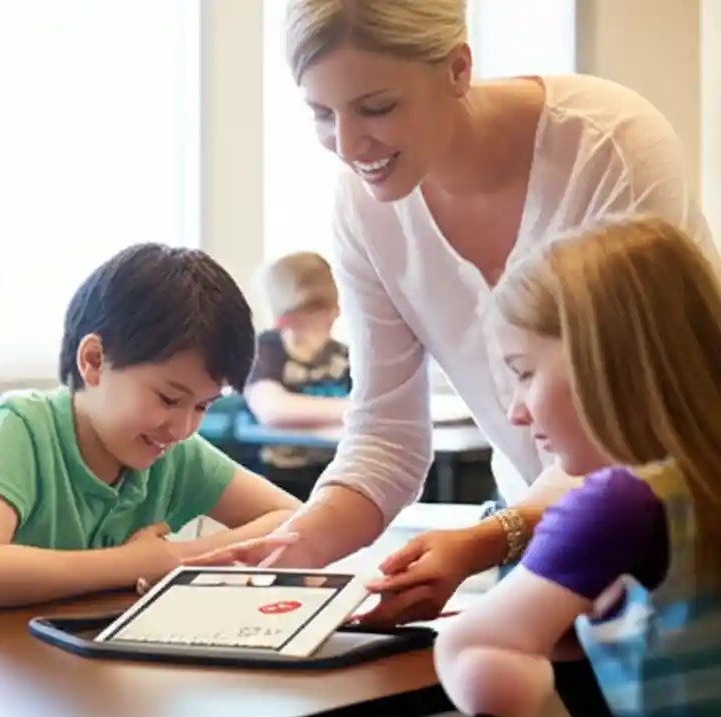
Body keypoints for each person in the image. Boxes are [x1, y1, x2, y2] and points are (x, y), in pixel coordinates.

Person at [201, 0, 715, 623]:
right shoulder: (364, 207)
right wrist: (293, 545)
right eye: (320, 113)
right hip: (535, 528)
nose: (347, 145)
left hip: (677, 531)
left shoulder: (607, 146)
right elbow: (385, 434)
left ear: (457, 69)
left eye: (377, 107)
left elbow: (626, 422)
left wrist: (488, 540)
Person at [436, 215, 721, 717]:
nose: (516, 412)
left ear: (605, 359)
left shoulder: (620, 504)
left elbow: (480, 653)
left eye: (525, 373)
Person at [0, 244, 302, 611]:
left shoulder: (173, 453)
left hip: (81, 661)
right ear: (94, 361)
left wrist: (179, 557)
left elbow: (296, 522)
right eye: (168, 399)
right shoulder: (22, 426)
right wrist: (134, 564)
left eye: (203, 406)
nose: (183, 428)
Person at [244, 251, 351, 499]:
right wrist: (353, 410)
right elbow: (272, 409)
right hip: (277, 480)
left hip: (333, 475)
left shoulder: (344, 355)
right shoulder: (267, 348)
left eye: (324, 310)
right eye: (310, 310)